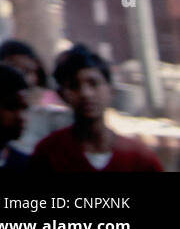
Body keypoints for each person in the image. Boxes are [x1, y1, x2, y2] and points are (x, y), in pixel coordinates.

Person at [29, 44, 163, 172]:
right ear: (62, 95)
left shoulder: (138, 157)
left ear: (111, 90)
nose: (85, 93)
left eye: (94, 84)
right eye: (74, 86)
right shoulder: (49, 152)